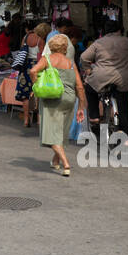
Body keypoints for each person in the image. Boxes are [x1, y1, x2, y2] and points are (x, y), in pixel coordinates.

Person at [30, 33, 86, 174]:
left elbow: (33, 71)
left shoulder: (46, 59)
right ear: (64, 48)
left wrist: (36, 85)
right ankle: (55, 161)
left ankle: (65, 163)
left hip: (52, 99)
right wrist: (80, 107)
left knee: (50, 134)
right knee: (61, 133)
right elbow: (79, 86)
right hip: (69, 99)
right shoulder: (71, 63)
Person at [80, 20, 128, 138]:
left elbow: (83, 57)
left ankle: (94, 117)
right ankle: (126, 139)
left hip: (101, 78)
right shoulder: (126, 41)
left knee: (89, 88)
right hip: (122, 78)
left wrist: (88, 70)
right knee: (123, 107)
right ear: (119, 30)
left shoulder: (99, 42)